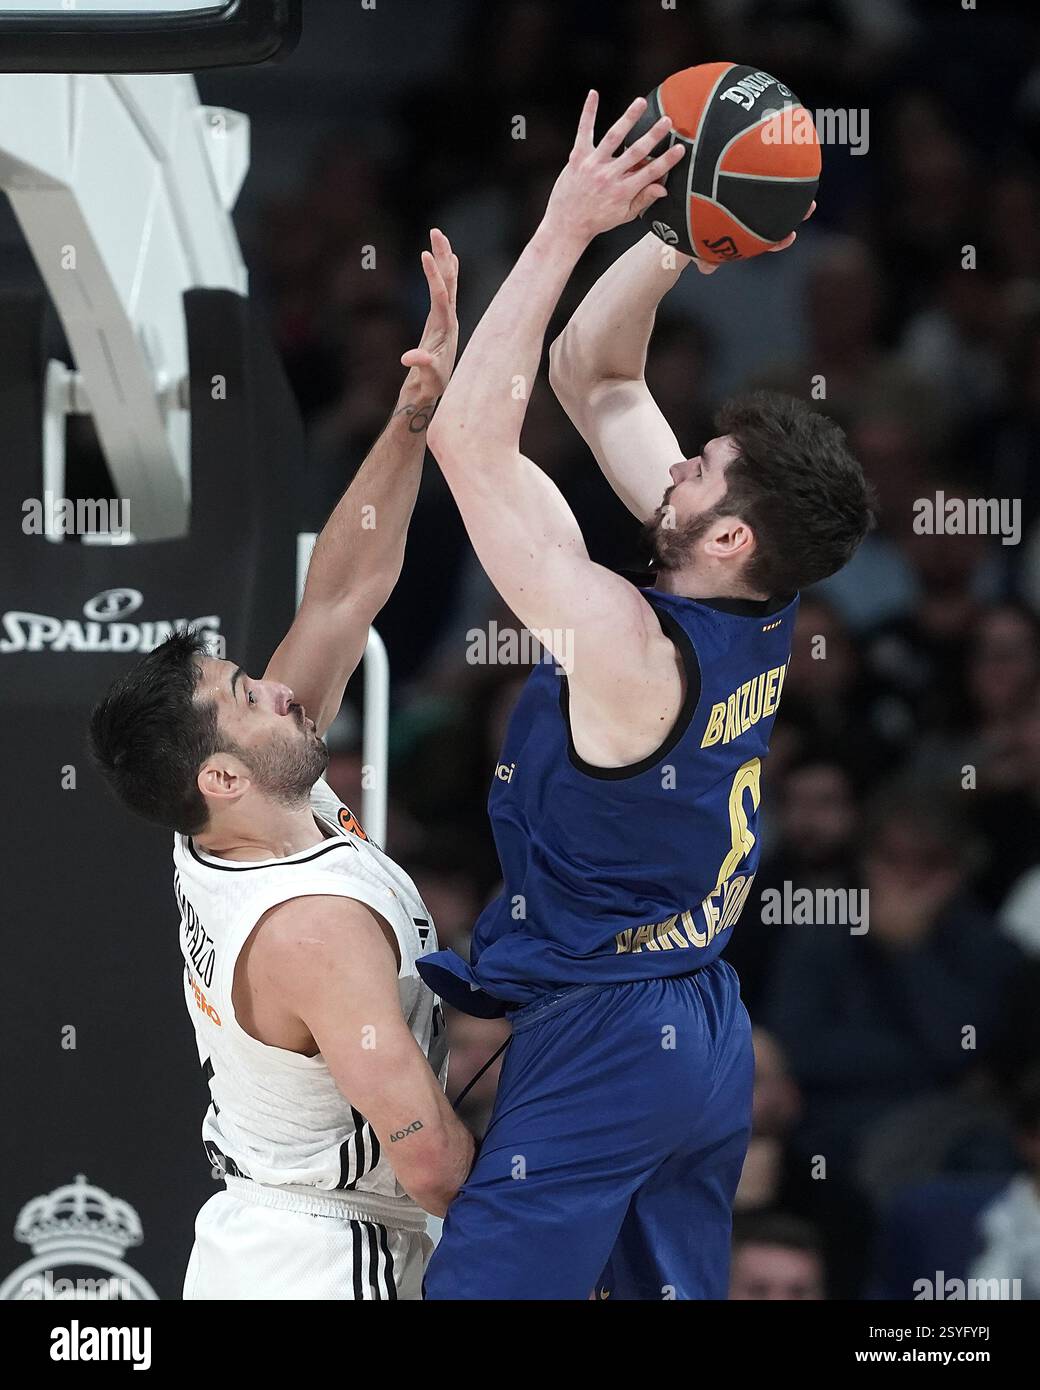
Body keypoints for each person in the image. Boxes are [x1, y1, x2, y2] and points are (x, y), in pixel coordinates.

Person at [417, 92, 874, 1300]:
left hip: (613, 1030)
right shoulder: (754, 594)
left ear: (723, 532)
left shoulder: (625, 642)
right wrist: (687, 229)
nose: (676, 458)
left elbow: (469, 440)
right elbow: (593, 372)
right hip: (699, 1022)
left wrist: (566, 223)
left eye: (701, 467)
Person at [88, 232, 475, 1300]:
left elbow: (341, 594)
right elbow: (434, 1162)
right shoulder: (307, 927)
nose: (278, 688)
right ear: (218, 776)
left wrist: (415, 412)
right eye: (245, 696)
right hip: (323, 1258)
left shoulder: (237, 815)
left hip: (274, 1234)